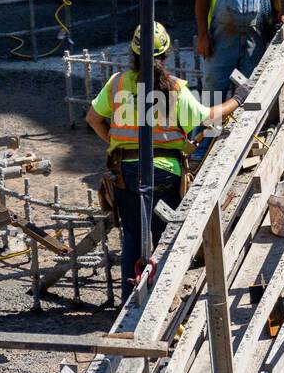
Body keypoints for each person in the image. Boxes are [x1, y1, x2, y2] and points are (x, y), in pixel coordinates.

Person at [86, 23, 243, 300]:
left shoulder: (117, 83)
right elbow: (208, 118)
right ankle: (162, 301)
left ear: (132, 52)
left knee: (133, 235)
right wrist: (237, 101)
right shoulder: (175, 89)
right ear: (166, 54)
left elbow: (93, 118)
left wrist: (115, 141)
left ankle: (129, 300)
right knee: (165, 238)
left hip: (125, 171)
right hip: (166, 173)